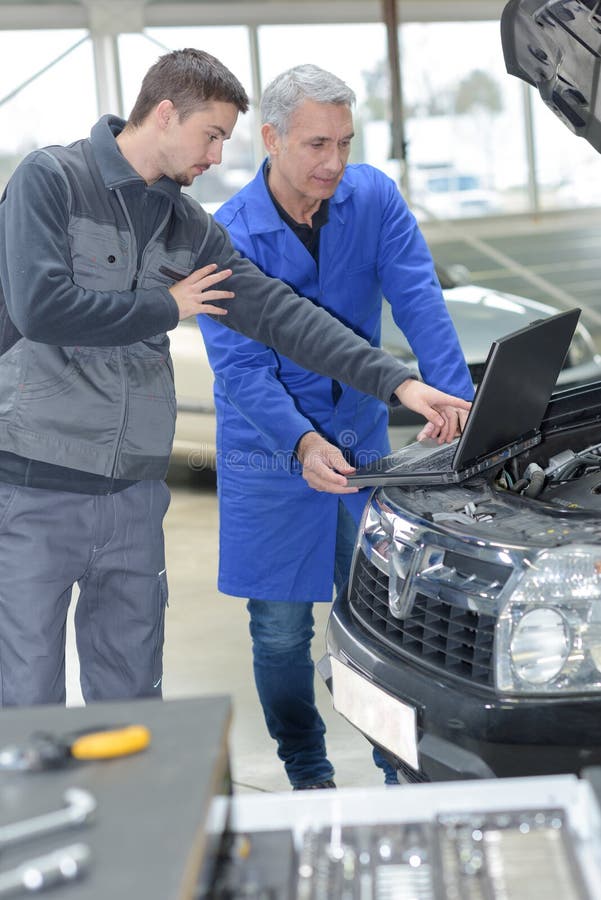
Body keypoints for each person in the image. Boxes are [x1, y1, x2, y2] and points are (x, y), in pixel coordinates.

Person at [0, 50, 469, 708]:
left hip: (134, 487)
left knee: (133, 694)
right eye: (212, 135)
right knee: (26, 696)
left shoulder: (184, 224)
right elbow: (39, 307)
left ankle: (141, 815)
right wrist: (170, 306)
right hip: (35, 484)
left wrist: (400, 385)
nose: (217, 157)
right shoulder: (50, 178)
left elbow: (282, 316)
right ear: (166, 114)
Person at [197, 64, 475, 789]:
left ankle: (395, 765)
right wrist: (298, 441)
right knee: (282, 631)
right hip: (272, 451)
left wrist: (454, 404)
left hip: (361, 444)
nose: (334, 162)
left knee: (389, 621)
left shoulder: (373, 199)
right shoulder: (227, 234)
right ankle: (307, 771)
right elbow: (242, 370)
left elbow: (418, 299)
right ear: (271, 138)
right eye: (317, 143)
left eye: (345, 143)